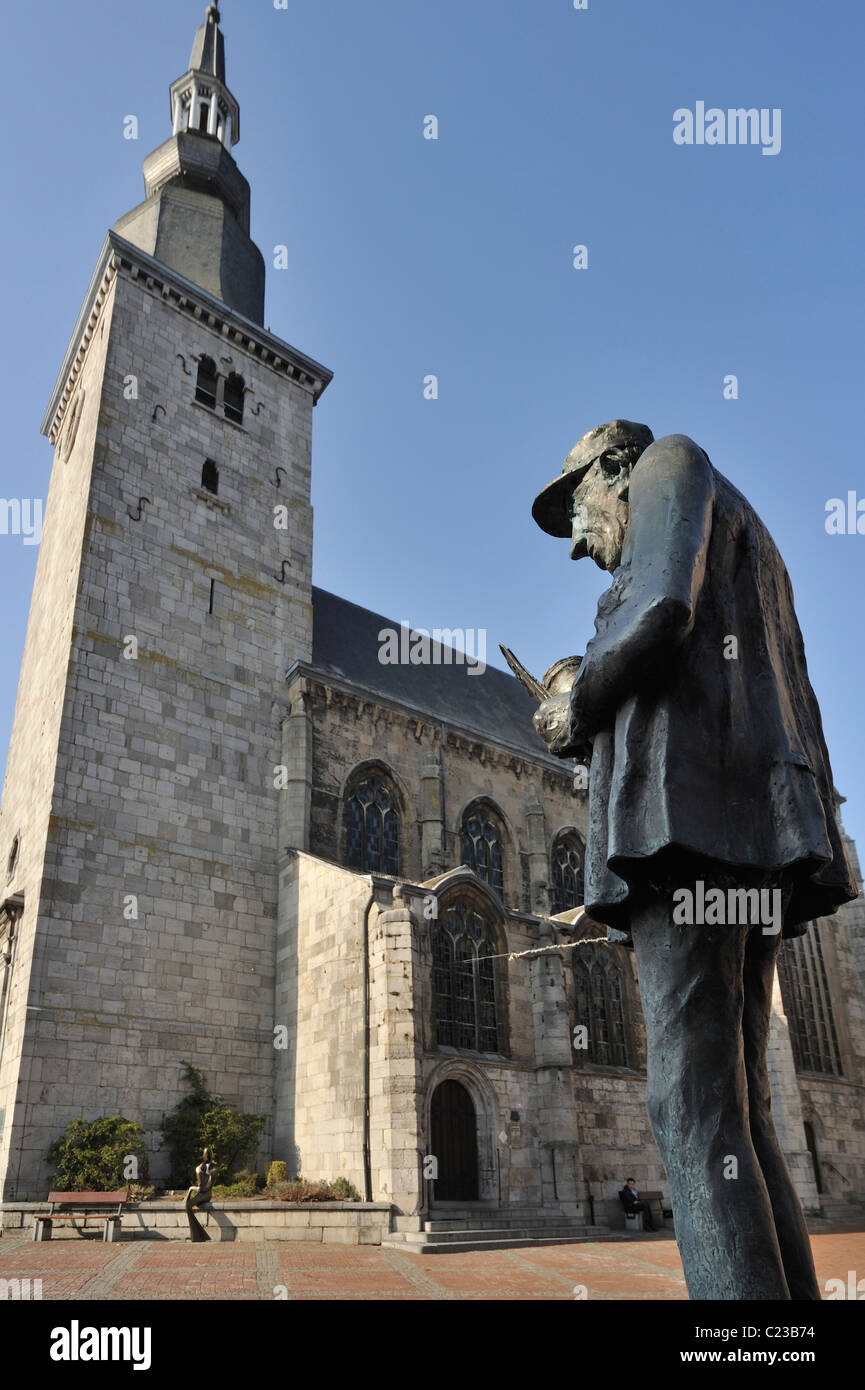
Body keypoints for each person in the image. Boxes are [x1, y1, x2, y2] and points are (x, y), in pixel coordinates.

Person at [531, 421, 857, 1301]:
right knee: (736, 1107)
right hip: (741, 848)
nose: (573, 542)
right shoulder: (748, 532)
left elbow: (662, 612)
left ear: (614, 467)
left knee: (688, 1104)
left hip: (690, 843)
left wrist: (575, 700)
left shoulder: (671, 462)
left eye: (574, 509)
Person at [184, 1146, 218, 1242]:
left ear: (211, 1155)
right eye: (204, 1154)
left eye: (207, 1154)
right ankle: (199, 1234)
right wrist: (199, 1171)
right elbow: (200, 1184)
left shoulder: (215, 1168)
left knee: (188, 1205)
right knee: (187, 1205)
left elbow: (205, 1187)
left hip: (207, 1194)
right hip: (200, 1193)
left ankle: (197, 1235)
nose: (205, 1156)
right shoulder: (200, 1167)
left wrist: (192, 1188)